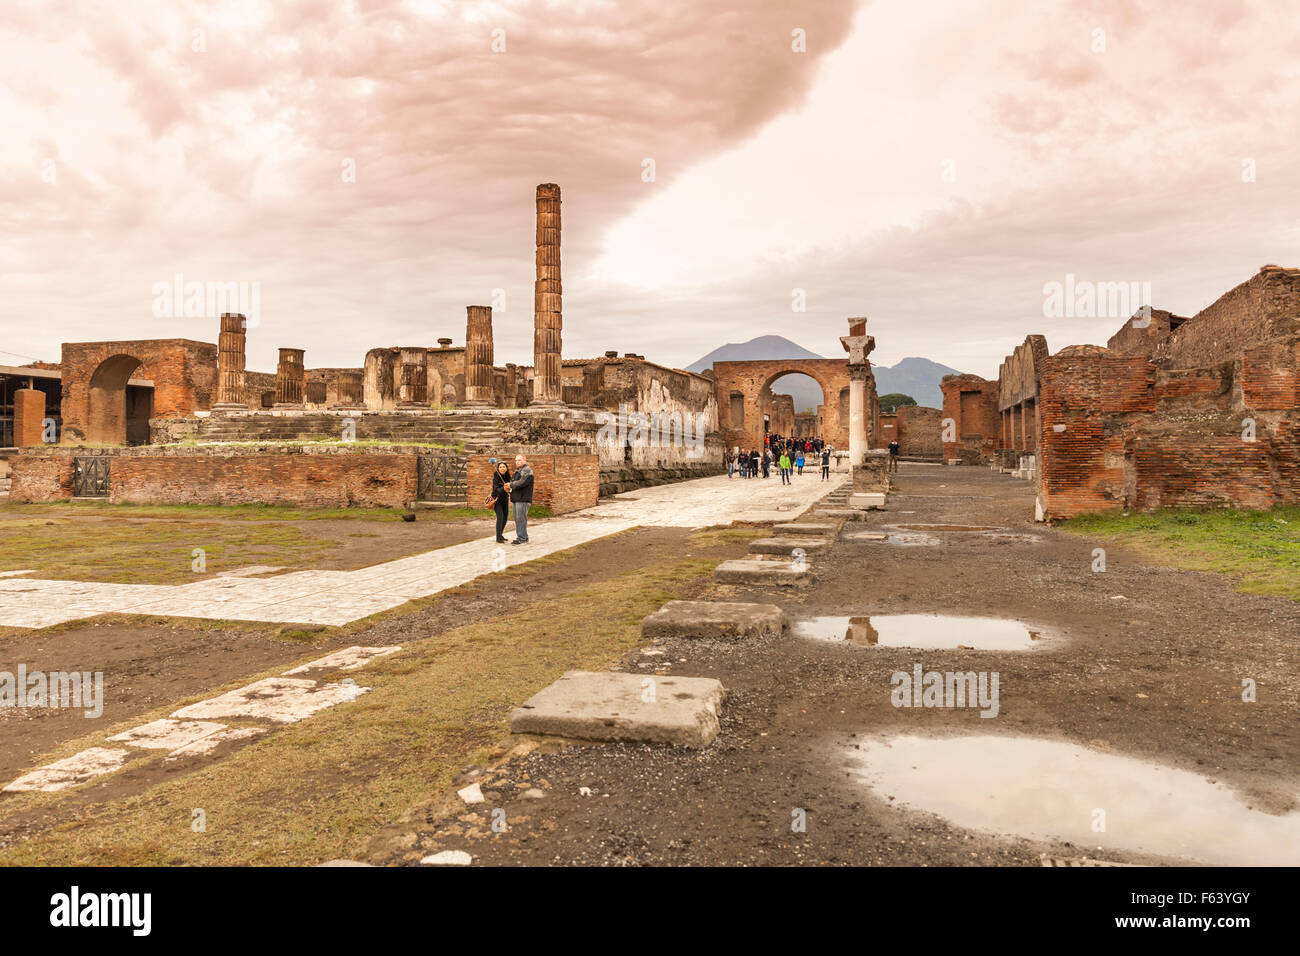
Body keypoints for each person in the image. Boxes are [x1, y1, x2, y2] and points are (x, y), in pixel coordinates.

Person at [506, 453, 533, 545]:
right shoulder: (517, 471)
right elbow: (513, 483)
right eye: (516, 460)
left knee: (521, 519)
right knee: (517, 519)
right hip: (516, 498)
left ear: (524, 460)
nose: (517, 462)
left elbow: (522, 482)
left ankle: (522, 538)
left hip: (523, 499)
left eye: (519, 460)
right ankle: (522, 537)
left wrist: (511, 485)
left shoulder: (527, 471)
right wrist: (508, 487)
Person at [487, 460, 511, 543]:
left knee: (505, 518)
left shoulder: (508, 477)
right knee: (500, 517)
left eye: (504, 467)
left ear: (506, 468)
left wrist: (510, 489)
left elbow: (510, 489)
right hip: (497, 500)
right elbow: (495, 490)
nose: (502, 468)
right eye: (500, 467)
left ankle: (500, 535)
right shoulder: (496, 476)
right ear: (498, 468)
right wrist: (503, 488)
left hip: (505, 500)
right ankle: (498, 537)